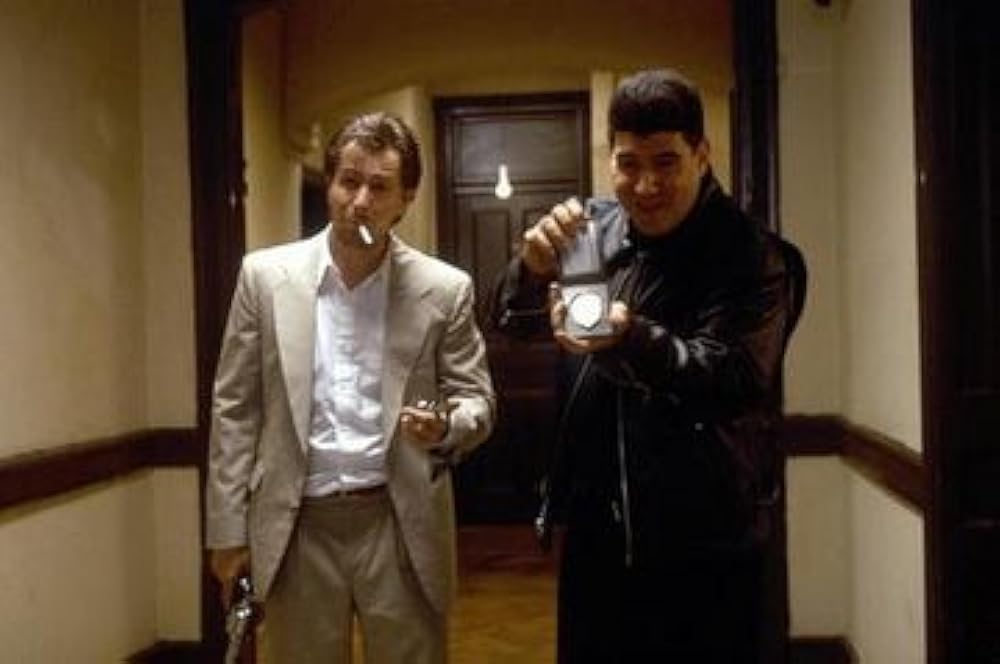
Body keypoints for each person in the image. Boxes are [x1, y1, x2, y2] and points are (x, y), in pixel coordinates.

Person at [492, 69, 805, 662]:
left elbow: (735, 379)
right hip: (597, 528)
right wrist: (528, 271)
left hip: (706, 537)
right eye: (628, 163)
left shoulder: (753, 254)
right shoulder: (594, 227)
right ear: (609, 158)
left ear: (702, 155)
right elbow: (513, 325)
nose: (646, 184)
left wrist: (629, 337)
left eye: (666, 162)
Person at [206, 111, 496, 664]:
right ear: (331, 184)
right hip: (296, 523)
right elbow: (235, 409)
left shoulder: (443, 289)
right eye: (348, 181)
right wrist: (226, 531)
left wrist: (445, 426)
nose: (360, 201)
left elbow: (477, 401)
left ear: (405, 199)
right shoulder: (265, 278)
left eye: (379, 187)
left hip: (399, 520)